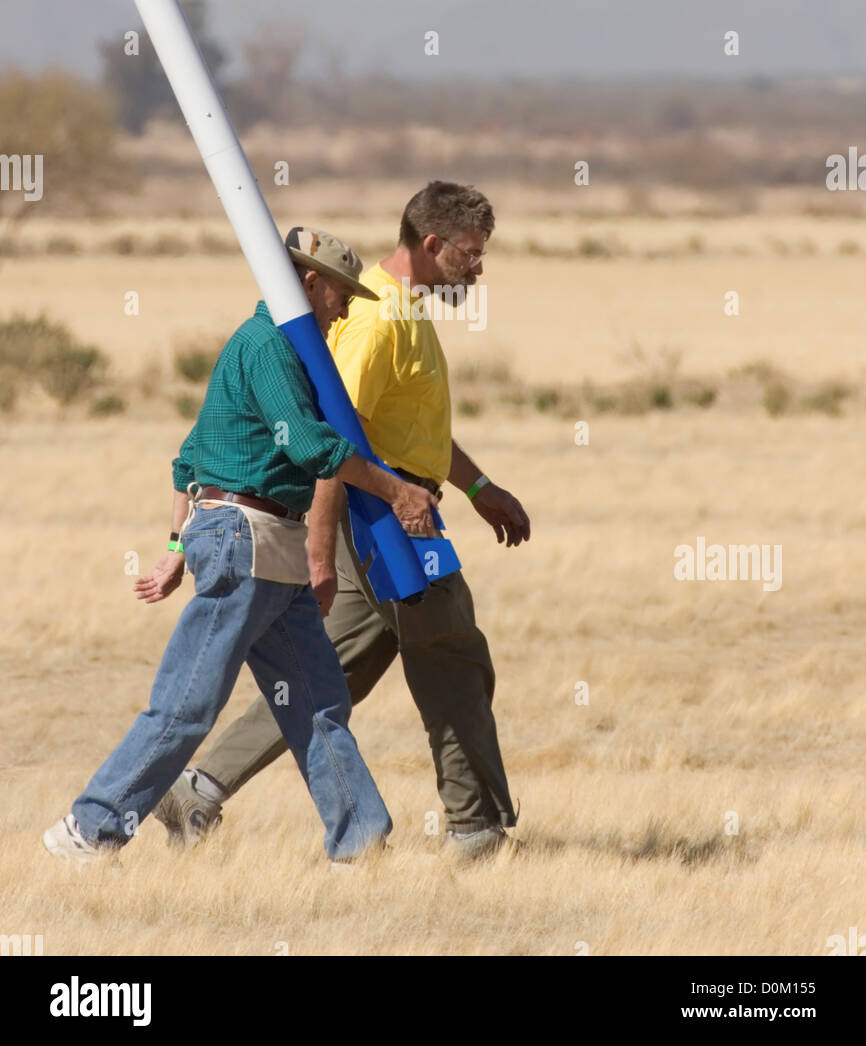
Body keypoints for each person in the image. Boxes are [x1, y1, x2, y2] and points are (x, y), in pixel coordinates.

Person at [155, 182, 531, 861]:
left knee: (334, 671)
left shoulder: (407, 310)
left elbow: (408, 428)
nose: (479, 269)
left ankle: (196, 789)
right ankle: (477, 832)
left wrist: (476, 485)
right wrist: (320, 553)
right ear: (433, 245)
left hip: (394, 516)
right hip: (387, 524)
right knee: (453, 658)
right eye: (471, 256)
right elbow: (336, 436)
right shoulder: (381, 318)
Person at [43, 227, 436, 867]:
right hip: (243, 542)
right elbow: (311, 448)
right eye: (340, 294)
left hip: (267, 546)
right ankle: (89, 831)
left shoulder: (280, 349)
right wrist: (396, 492)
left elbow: (187, 460)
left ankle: (361, 844)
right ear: (310, 283)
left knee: (319, 703)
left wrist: (176, 546)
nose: (344, 308)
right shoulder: (269, 347)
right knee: (187, 704)